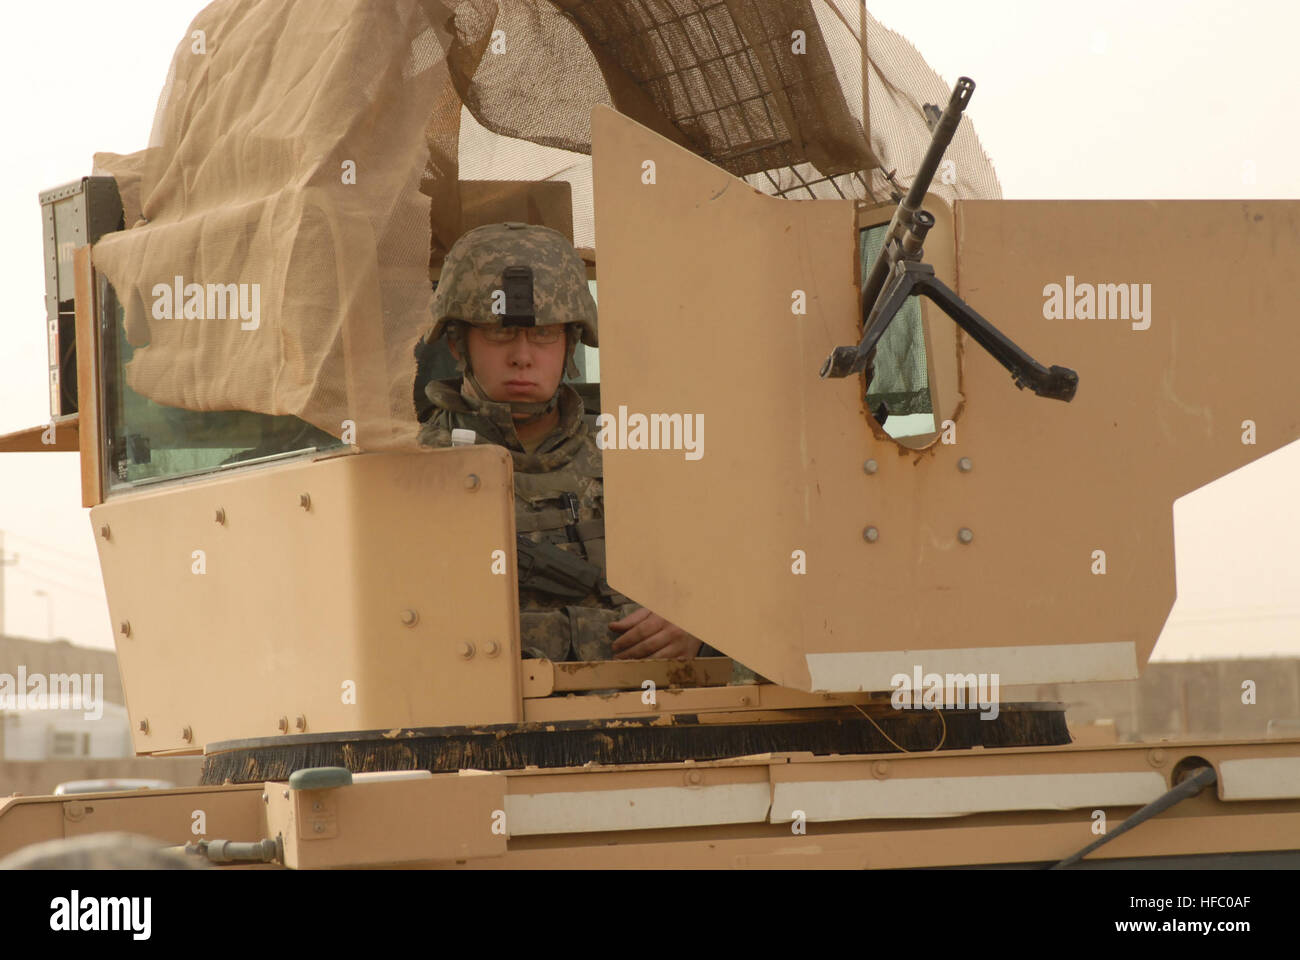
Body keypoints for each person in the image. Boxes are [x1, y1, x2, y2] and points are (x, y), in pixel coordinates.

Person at [415, 221, 705, 662]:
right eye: (499, 332)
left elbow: (739, 593)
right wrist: (594, 636)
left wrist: (699, 626)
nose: (523, 355)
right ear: (458, 345)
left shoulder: (639, 456)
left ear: (570, 344)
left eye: (544, 334)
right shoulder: (406, 475)